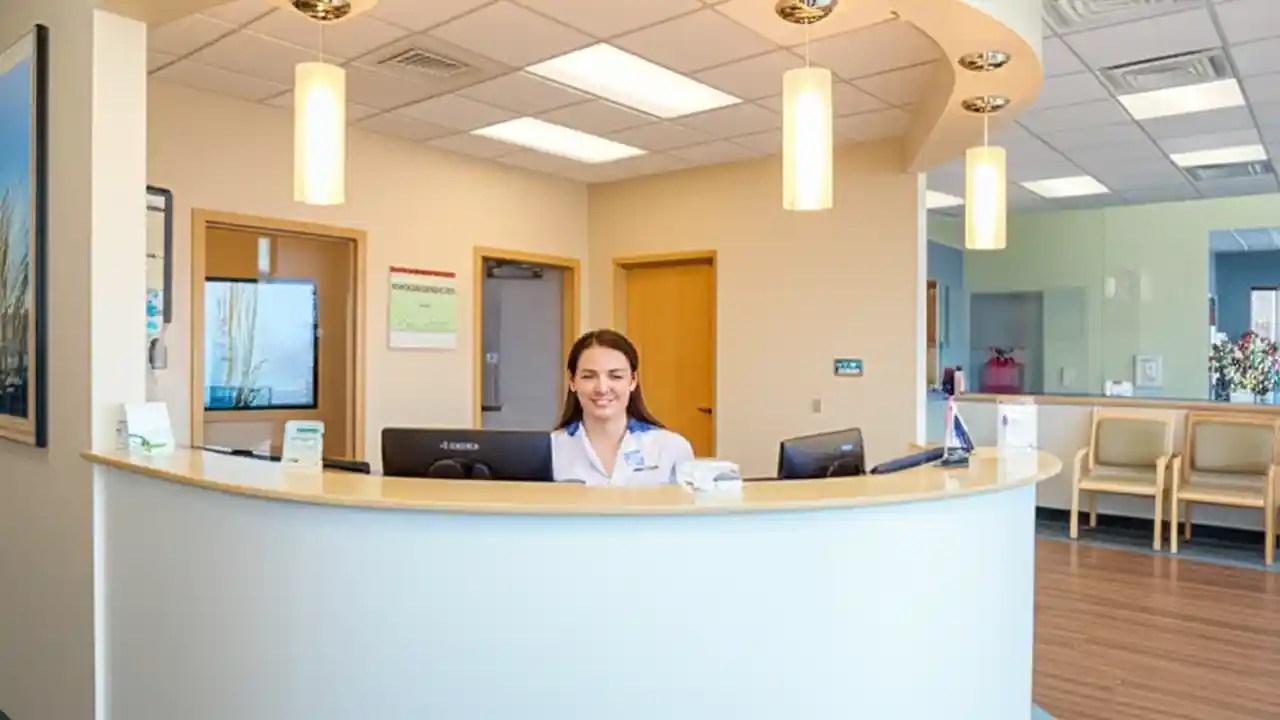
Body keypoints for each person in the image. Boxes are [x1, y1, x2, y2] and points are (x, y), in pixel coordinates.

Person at [552, 329, 695, 486]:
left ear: (633, 381)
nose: (602, 388)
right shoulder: (552, 449)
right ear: (572, 381)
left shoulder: (671, 447)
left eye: (615, 376)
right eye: (589, 376)